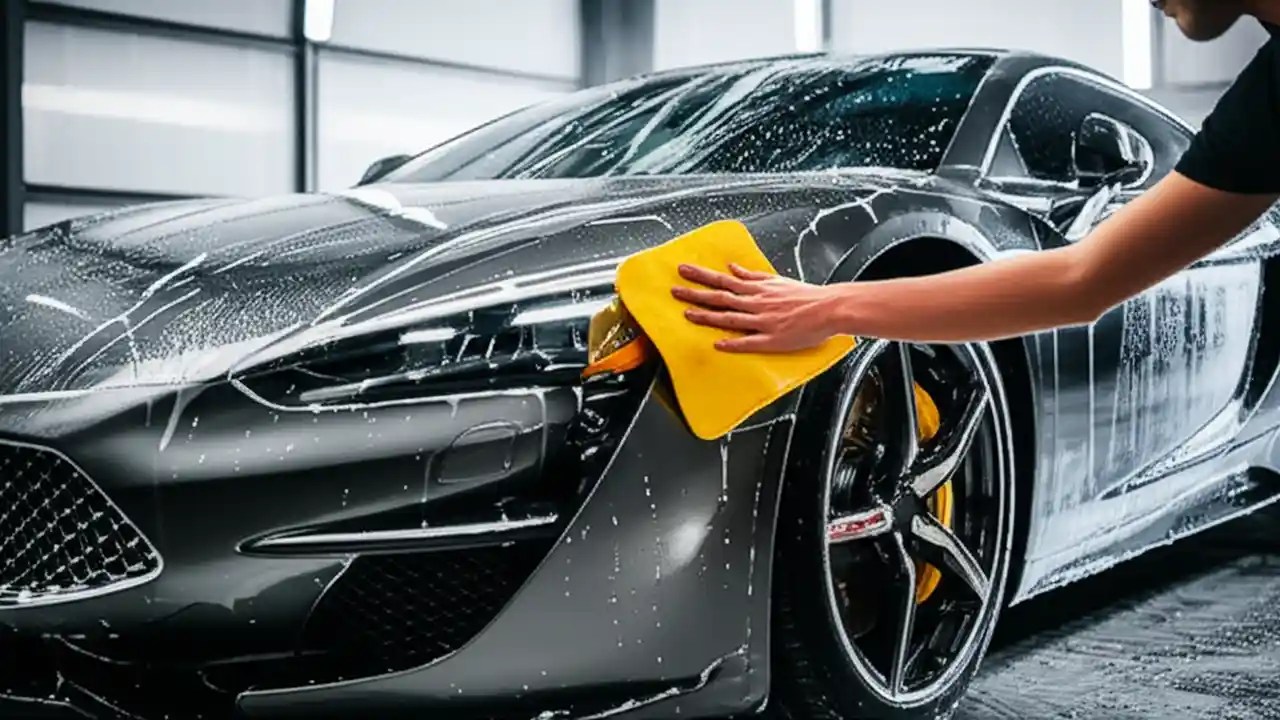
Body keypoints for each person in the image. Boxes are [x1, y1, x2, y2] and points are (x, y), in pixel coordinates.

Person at [672, 0, 1280, 353]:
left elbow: (1080, 279)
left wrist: (831, 307)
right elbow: (1081, 280)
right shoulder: (1266, 104)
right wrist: (827, 308)